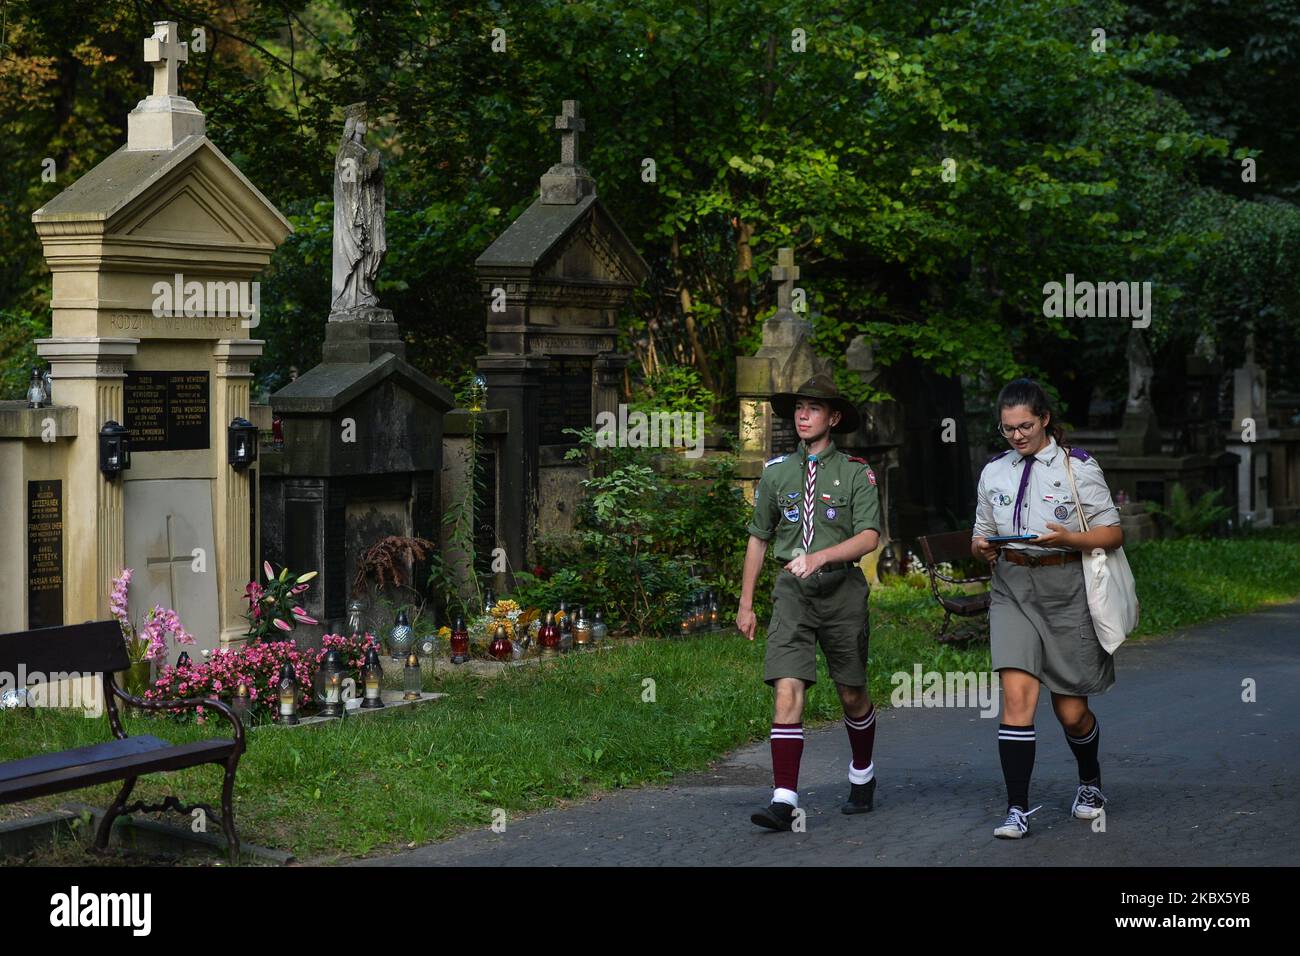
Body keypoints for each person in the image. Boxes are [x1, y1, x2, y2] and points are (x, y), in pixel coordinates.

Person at [971, 378, 1124, 839]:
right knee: (1017, 699)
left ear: (1045, 420)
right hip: (1012, 587)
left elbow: (1112, 533)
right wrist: (981, 548)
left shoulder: (1078, 468)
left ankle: (1090, 781)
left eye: (1025, 426)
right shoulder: (994, 471)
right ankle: (1016, 809)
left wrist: (1068, 538)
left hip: (1065, 586)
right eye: (1008, 429)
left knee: (1070, 711)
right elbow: (979, 530)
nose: (1017, 436)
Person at [737, 374, 882, 831]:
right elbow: (759, 539)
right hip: (792, 595)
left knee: (851, 692)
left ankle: (863, 774)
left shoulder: (856, 472)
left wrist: (820, 556)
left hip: (842, 592)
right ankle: (784, 800)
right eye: (799, 407)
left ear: (833, 418)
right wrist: (745, 603)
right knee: (787, 687)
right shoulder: (777, 471)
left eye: (814, 408)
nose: (803, 415)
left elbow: (868, 537)